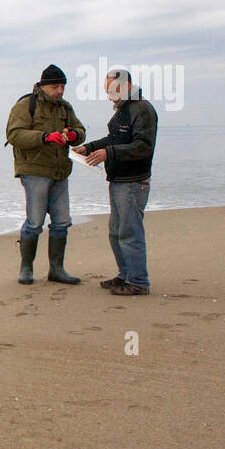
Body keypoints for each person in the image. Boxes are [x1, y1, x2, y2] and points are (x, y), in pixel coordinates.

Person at [71, 69, 158, 295]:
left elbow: (143, 146)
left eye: (115, 89)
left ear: (128, 85)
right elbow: (113, 139)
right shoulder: (123, 110)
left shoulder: (143, 109)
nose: (111, 95)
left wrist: (108, 153)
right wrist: (88, 148)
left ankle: (138, 282)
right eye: (108, 91)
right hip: (118, 180)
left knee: (130, 232)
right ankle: (125, 275)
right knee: (116, 232)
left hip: (133, 181)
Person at [4, 64, 87, 285]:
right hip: (34, 172)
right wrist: (45, 137)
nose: (59, 91)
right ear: (43, 86)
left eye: (62, 86)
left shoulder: (65, 108)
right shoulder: (25, 106)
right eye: (55, 86)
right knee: (35, 222)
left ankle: (57, 270)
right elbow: (14, 134)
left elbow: (81, 132)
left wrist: (72, 135)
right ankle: (26, 269)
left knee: (62, 222)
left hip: (60, 172)